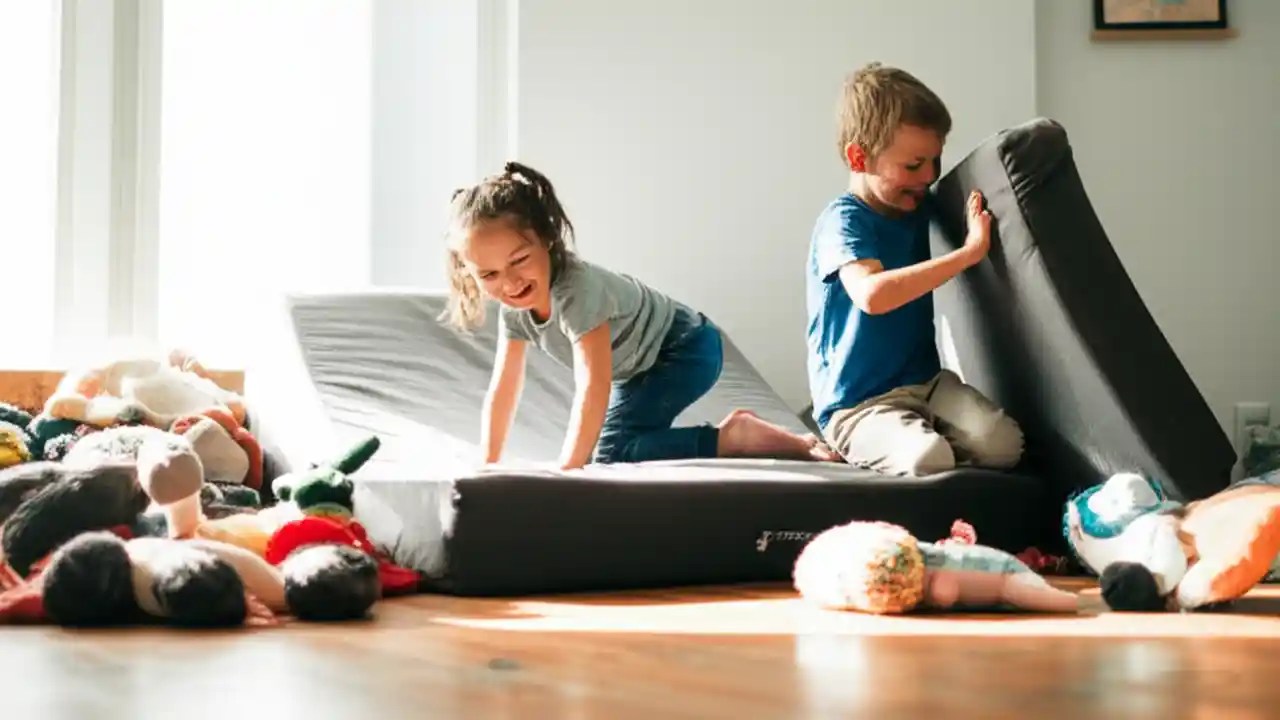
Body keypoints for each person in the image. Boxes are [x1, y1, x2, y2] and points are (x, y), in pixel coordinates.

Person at [444, 161, 837, 470]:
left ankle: (734, 438)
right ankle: (734, 436)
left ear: (547, 239)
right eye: (489, 275)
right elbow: (504, 388)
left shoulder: (577, 292)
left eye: (519, 261)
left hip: (687, 347)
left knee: (612, 452)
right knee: (621, 446)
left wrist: (569, 468)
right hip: (644, 366)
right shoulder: (515, 311)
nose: (510, 283)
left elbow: (593, 382)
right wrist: (489, 462)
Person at [805, 62, 1024, 476]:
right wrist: (969, 253)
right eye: (912, 165)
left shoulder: (917, 207)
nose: (927, 178)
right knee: (930, 459)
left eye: (935, 162)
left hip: (926, 383)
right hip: (858, 403)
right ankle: (859, 442)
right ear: (859, 156)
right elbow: (872, 295)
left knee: (1003, 445)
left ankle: (916, 434)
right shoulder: (843, 221)